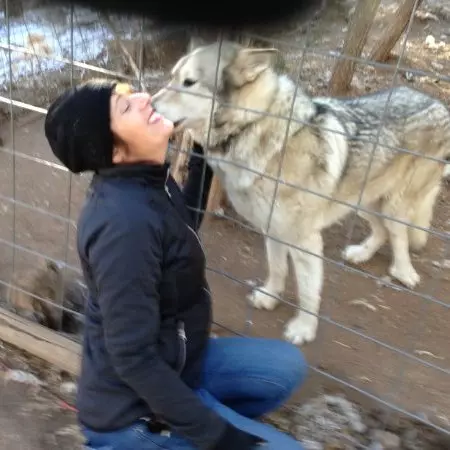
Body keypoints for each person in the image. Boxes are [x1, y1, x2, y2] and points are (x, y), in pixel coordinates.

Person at [44, 78, 308, 450]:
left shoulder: (147, 179)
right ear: (114, 151)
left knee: (286, 367)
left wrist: (205, 153)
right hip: (132, 411)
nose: (143, 97)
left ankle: (193, 422)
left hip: (178, 363)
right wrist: (221, 437)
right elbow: (133, 360)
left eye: (129, 93)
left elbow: (178, 225)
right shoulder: (124, 227)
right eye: (125, 107)